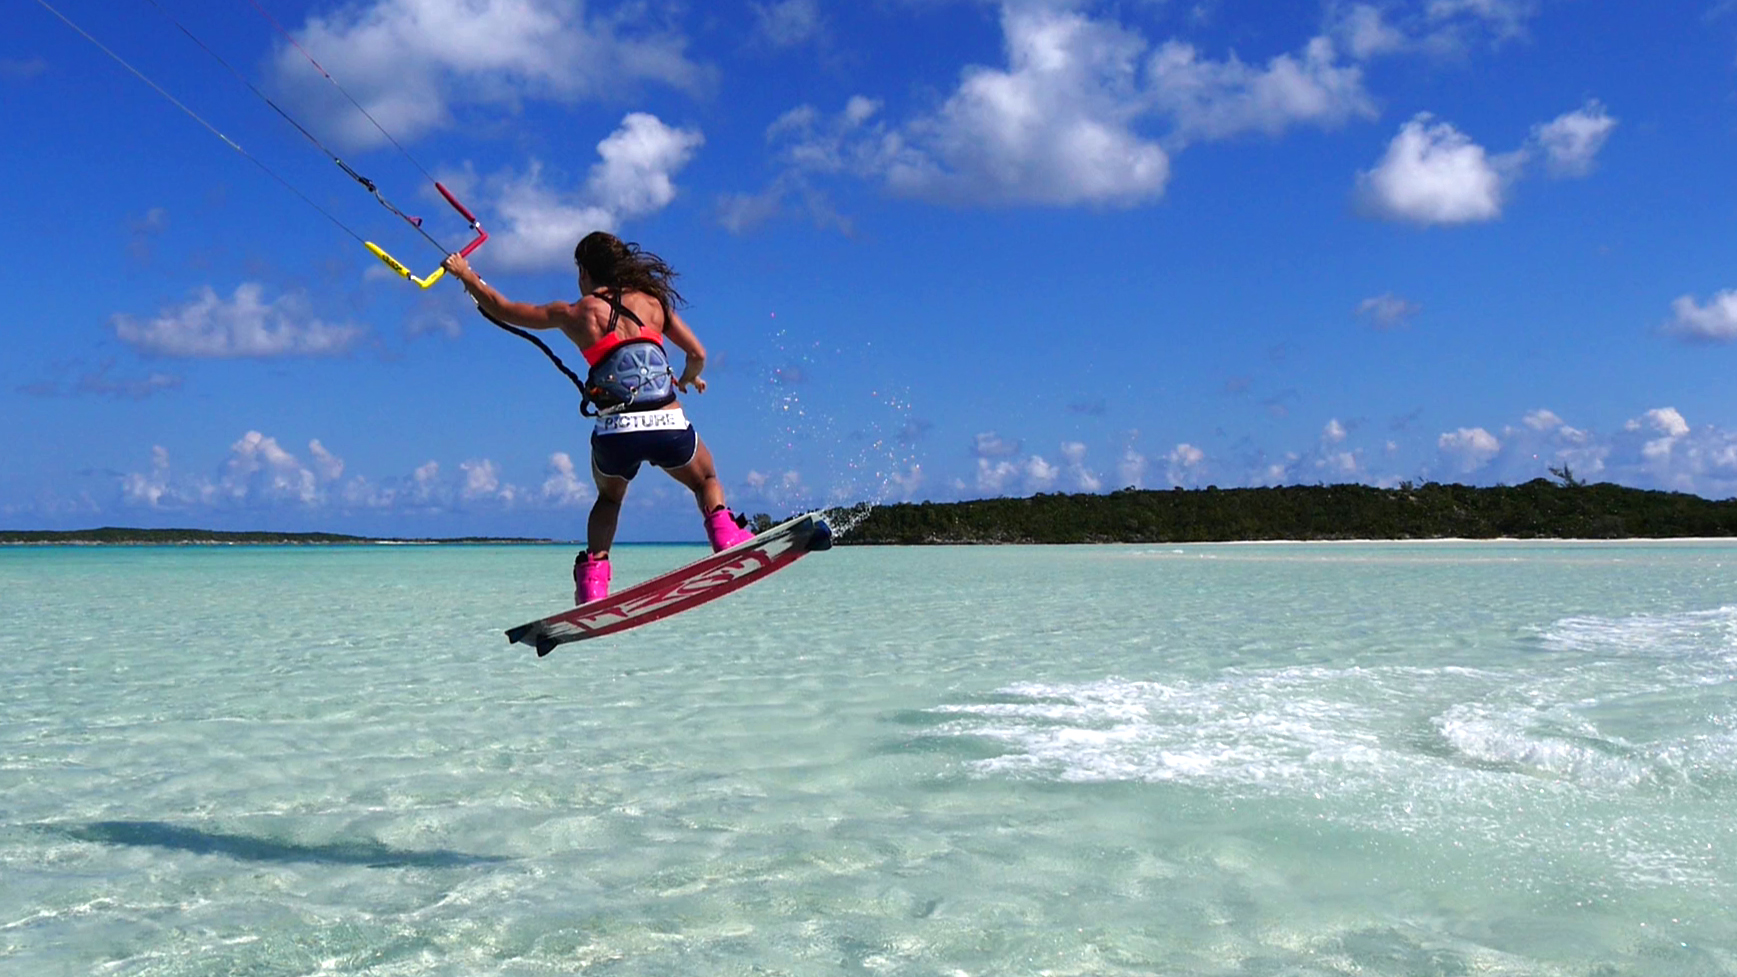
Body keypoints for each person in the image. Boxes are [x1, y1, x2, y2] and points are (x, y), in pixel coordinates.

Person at [442, 231, 754, 605]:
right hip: (666, 424)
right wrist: (687, 379)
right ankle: (724, 535)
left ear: (586, 272)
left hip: (615, 432)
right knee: (705, 478)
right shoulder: (654, 304)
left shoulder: (574, 313)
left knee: (608, 499)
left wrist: (466, 275)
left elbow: (503, 308)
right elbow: (698, 354)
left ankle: (593, 584)